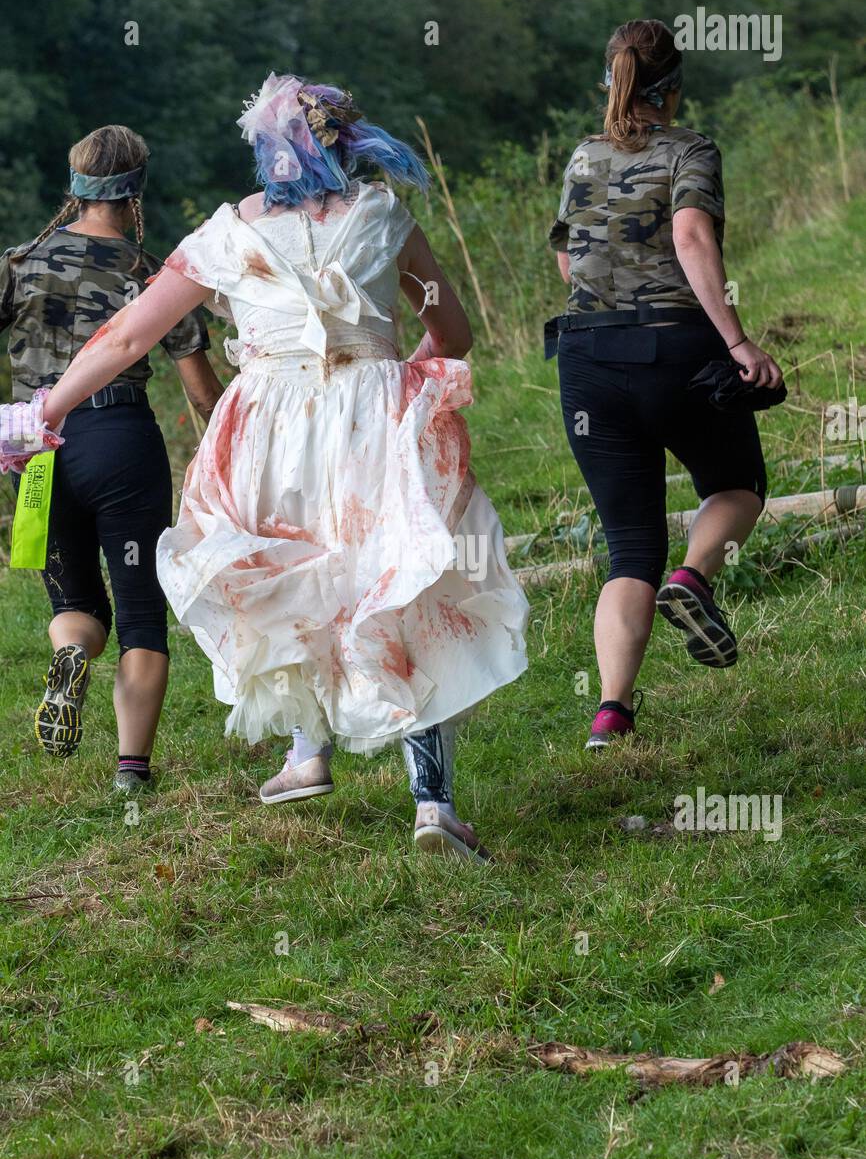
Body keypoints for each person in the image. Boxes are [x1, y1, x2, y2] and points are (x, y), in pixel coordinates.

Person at [38, 76, 529, 859]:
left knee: (291, 573)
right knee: (397, 585)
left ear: (266, 152)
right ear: (342, 142)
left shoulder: (227, 235)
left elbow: (129, 339)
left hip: (268, 425)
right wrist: (399, 379)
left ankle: (307, 754)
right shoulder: (383, 217)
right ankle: (431, 804)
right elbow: (454, 330)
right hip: (372, 416)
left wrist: (50, 408)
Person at [546, 19, 784, 749]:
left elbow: (567, 265)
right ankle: (696, 578)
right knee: (738, 484)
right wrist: (738, 341)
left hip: (587, 358)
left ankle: (610, 713)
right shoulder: (690, 150)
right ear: (673, 88)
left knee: (628, 546)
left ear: (609, 82)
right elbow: (690, 237)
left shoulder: (583, 157)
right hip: (673, 351)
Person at [0, 125, 223, 790]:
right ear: (136, 192)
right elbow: (201, 390)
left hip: (34, 452)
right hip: (118, 440)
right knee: (140, 613)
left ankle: (71, 655)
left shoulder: (18, 263)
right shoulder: (152, 276)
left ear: (74, 188)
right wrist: (239, 436)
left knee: (75, 603)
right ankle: (131, 773)